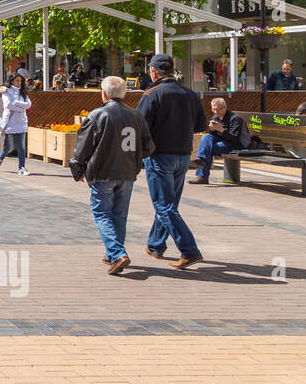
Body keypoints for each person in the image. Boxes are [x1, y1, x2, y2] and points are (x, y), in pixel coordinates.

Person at [70, 76, 155, 275]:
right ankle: (114, 253)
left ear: (104, 93)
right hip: (127, 172)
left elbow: (83, 147)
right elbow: (149, 146)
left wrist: (78, 168)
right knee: (119, 214)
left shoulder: (97, 115)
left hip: (102, 172)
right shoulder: (136, 116)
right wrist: (137, 159)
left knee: (101, 213)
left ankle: (117, 253)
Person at [138, 53, 207, 269]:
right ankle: (156, 245)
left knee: (164, 205)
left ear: (154, 72)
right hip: (183, 155)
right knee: (169, 204)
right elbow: (200, 125)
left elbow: (139, 127)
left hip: (160, 156)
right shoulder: (190, 94)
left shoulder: (151, 94)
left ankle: (189, 249)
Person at [189, 97, 251, 185]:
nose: (216, 112)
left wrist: (221, 130)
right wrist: (212, 129)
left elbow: (234, 139)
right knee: (206, 137)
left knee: (209, 149)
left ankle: (202, 176)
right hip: (225, 141)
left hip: (239, 144)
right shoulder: (216, 117)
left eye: (218, 109)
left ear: (225, 107)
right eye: (213, 109)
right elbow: (214, 135)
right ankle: (201, 159)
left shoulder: (235, 119)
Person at [0, 73, 31, 175]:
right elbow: (8, 105)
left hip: (22, 121)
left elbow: (28, 104)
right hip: (10, 121)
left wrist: (18, 104)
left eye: (20, 81)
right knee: (10, 145)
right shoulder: (6, 91)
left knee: (22, 146)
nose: (19, 83)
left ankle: (21, 167)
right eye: (17, 81)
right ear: (12, 81)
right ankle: (0, 157)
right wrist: (21, 107)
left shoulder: (22, 92)